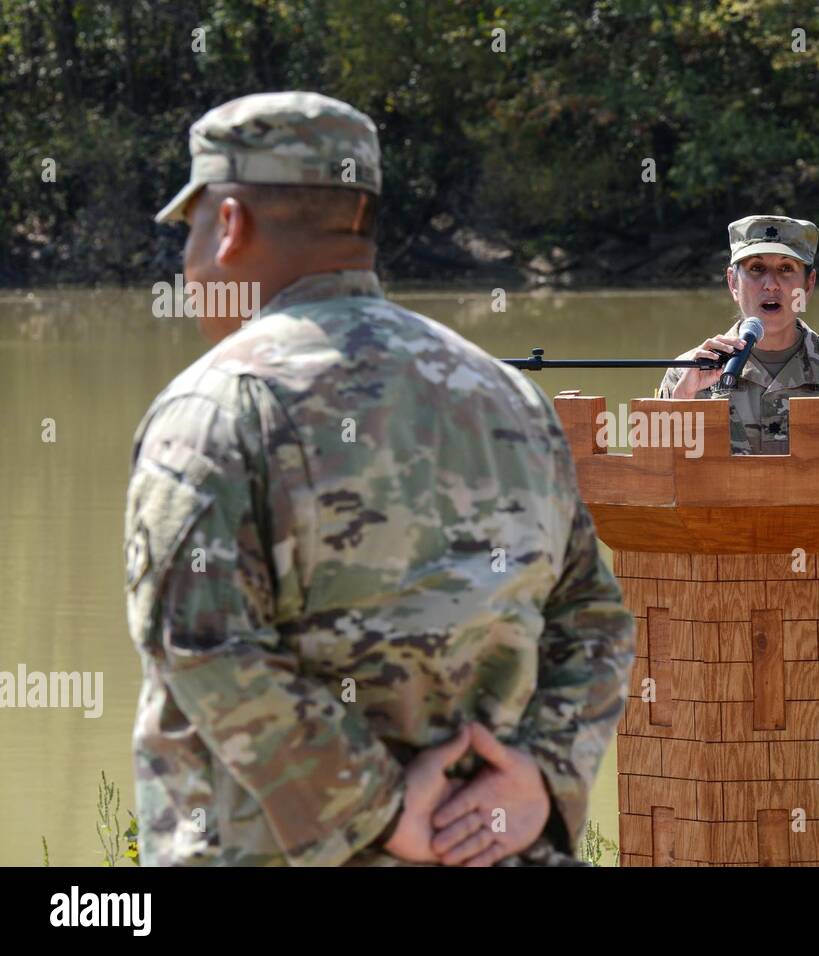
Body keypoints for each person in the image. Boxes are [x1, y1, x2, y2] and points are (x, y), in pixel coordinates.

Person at [126, 91, 635, 866]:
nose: (188, 263)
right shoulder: (507, 395)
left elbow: (206, 646)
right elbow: (594, 619)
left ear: (229, 226)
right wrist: (543, 777)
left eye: (190, 229)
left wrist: (378, 815)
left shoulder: (220, 403)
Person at [657, 215, 819, 454]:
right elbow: (655, 481)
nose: (771, 284)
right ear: (733, 282)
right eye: (756, 268)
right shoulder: (688, 372)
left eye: (786, 268)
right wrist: (684, 397)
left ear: (808, 284)